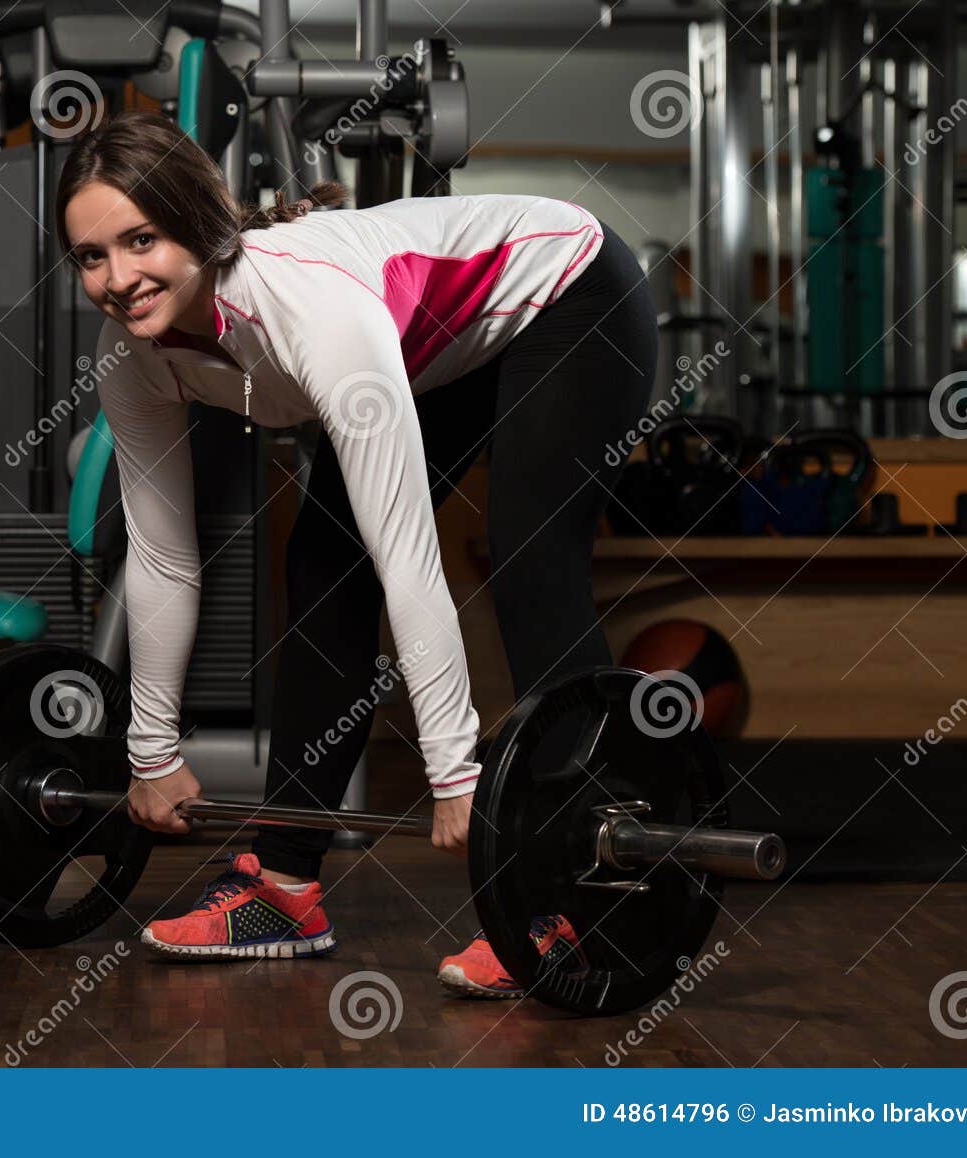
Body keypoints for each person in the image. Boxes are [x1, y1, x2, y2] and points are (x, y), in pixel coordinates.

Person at [57, 109, 655, 997]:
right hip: (441, 350)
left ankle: (579, 897)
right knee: (322, 568)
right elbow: (166, 559)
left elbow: (409, 554)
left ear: (192, 219)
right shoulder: (131, 358)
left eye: (139, 240)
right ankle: (285, 886)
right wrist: (149, 751)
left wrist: (456, 770)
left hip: (571, 295)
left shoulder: (311, 309)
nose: (118, 279)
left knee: (532, 564)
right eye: (91, 257)